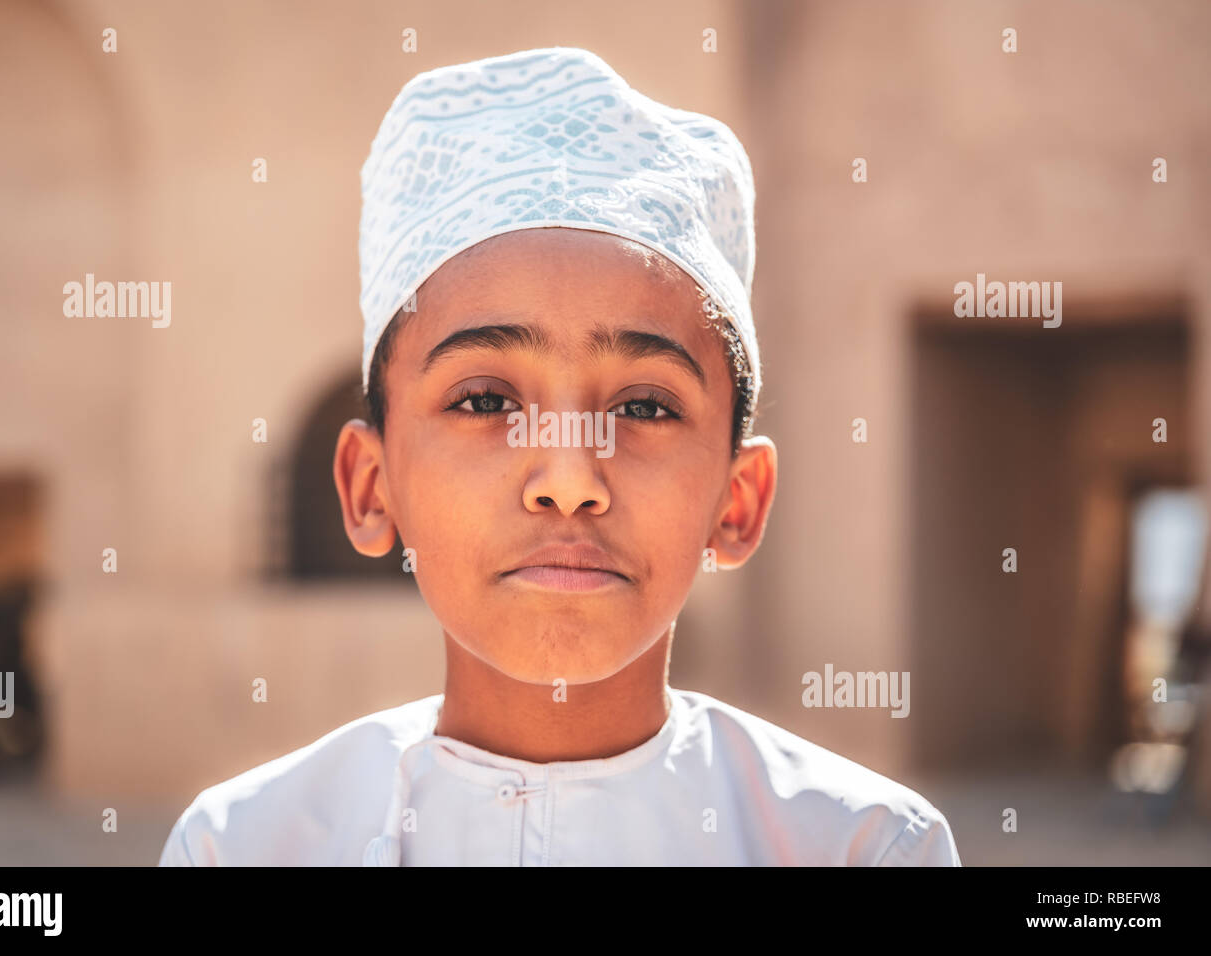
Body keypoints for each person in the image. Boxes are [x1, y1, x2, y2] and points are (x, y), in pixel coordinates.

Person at [158, 46, 961, 866]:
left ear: (739, 500)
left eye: (644, 407)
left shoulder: (866, 848)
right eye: (486, 402)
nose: (571, 478)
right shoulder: (244, 847)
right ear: (371, 487)